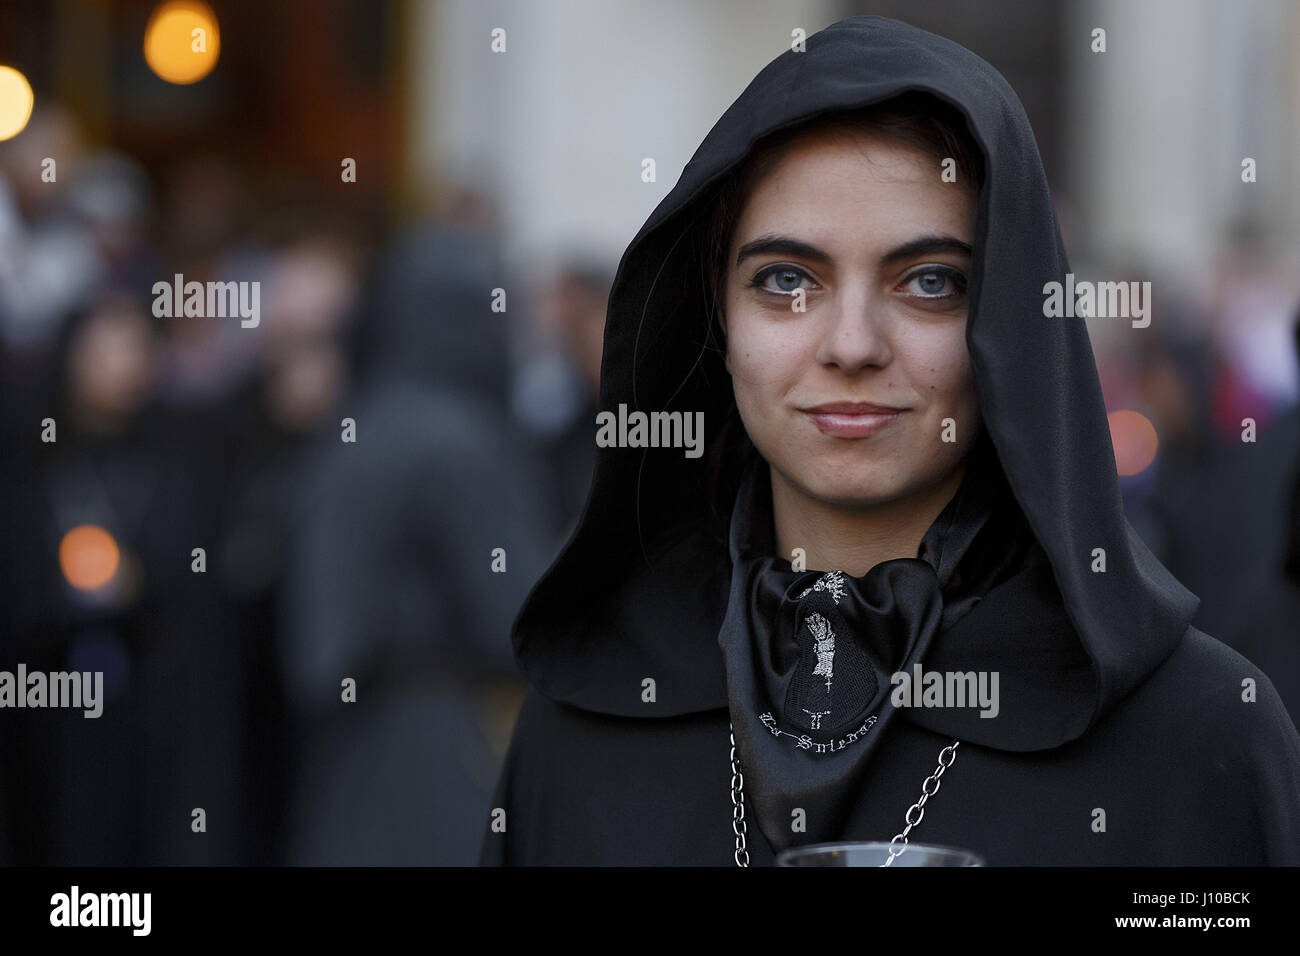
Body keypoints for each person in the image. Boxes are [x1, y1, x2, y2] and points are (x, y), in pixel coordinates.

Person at [480, 15, 1300, 866]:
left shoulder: (1192, 740)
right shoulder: (587, 723)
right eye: (787, 280)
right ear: (716, 322)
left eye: (930, 282)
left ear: (1008, 325)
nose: (852, 343)